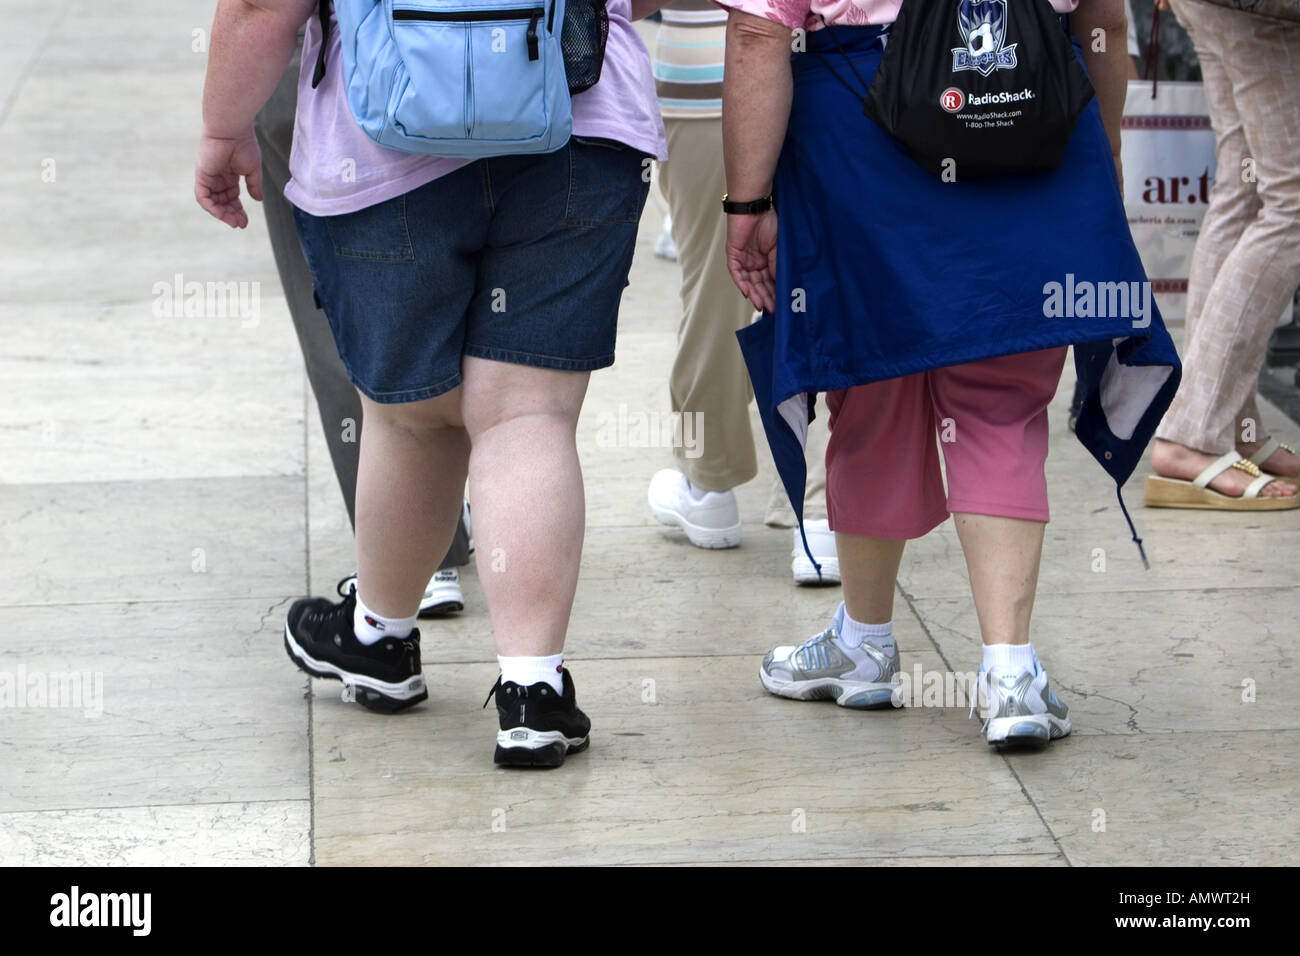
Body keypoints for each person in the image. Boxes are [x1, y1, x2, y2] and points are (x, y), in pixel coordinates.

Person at [196, 0, 666, 767]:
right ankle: (532, 692)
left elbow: (260, 7)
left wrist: (223, 127)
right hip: (579, 125)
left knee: (409, 415)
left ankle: (379, 638)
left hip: (385, 145)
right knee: (529, 418)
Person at [718, 0, 1181, 747]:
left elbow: (756, 32)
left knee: (868, 386)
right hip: (1029, 117)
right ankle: (1010, 676)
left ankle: (864, 644)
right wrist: (1107, 148)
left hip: (858, 127)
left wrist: (748, 199)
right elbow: (1106, 20)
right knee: (1003, 401)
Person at [253, 48, 473, 616]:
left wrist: (219, 123)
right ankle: (452, 524)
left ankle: (418, 558)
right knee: (487, 305)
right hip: (492, 58)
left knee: (337, 315)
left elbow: (256, 9)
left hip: (327, 58)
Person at [646, 0, 839, 583]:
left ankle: (711, 481)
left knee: (715, 290)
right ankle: (828, 510)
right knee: (834, 288)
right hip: (839, 69)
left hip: (712, 76)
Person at [1144, 0, 1300, 510]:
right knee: (1292, 204)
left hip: (1221, 6)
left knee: (1248, 186)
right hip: (1261, 11)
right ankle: (1192, 434)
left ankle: (1231, 424)